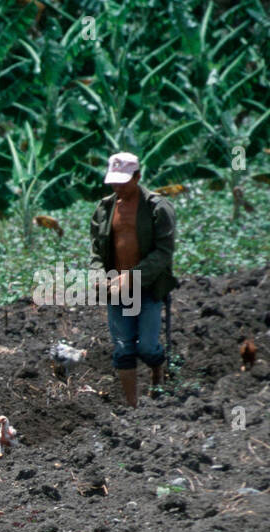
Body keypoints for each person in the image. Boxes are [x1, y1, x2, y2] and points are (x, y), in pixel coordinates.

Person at [89, 151, 180, 407]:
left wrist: (133, 276)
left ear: (138, 177)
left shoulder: (158, 208)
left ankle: (157, 371)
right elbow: (96, 250)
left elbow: (164, 251)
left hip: (148, 287)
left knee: (147, 347)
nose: (118, 187)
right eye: (114, 182)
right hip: (116, 290)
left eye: (123, 181)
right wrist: (99, 277)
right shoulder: (105, 209)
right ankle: (133, 407)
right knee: (123, 349)